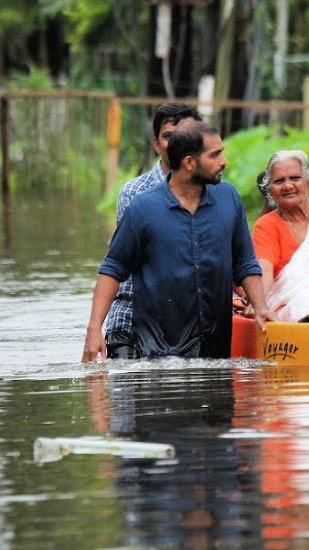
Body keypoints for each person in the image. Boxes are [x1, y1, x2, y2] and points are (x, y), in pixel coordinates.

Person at [82, 121, 274, 362]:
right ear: (189, 163)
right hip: (157, 355)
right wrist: (94, 329)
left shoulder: (229, 199)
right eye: (215, 155)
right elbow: (112, 269)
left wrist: (260, 306)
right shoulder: (143, 208)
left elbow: (245, 262)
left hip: (216, 351)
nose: (224, 160)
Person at [103, 102, 202, 358]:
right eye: (169, 136)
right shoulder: (136, 194)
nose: (178, 142)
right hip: (134, 319)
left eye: (186, 134)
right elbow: (120, 265)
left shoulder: (214, 192)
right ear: (157, 144)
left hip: (190, 322)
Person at [252, 150, 309, 322]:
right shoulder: (267, 225)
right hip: (291, 304)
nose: (287, 186)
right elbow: (263, 269)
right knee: (307, 300)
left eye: (295, 178)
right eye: (279, 181)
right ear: (271, 192)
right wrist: (258, 303)